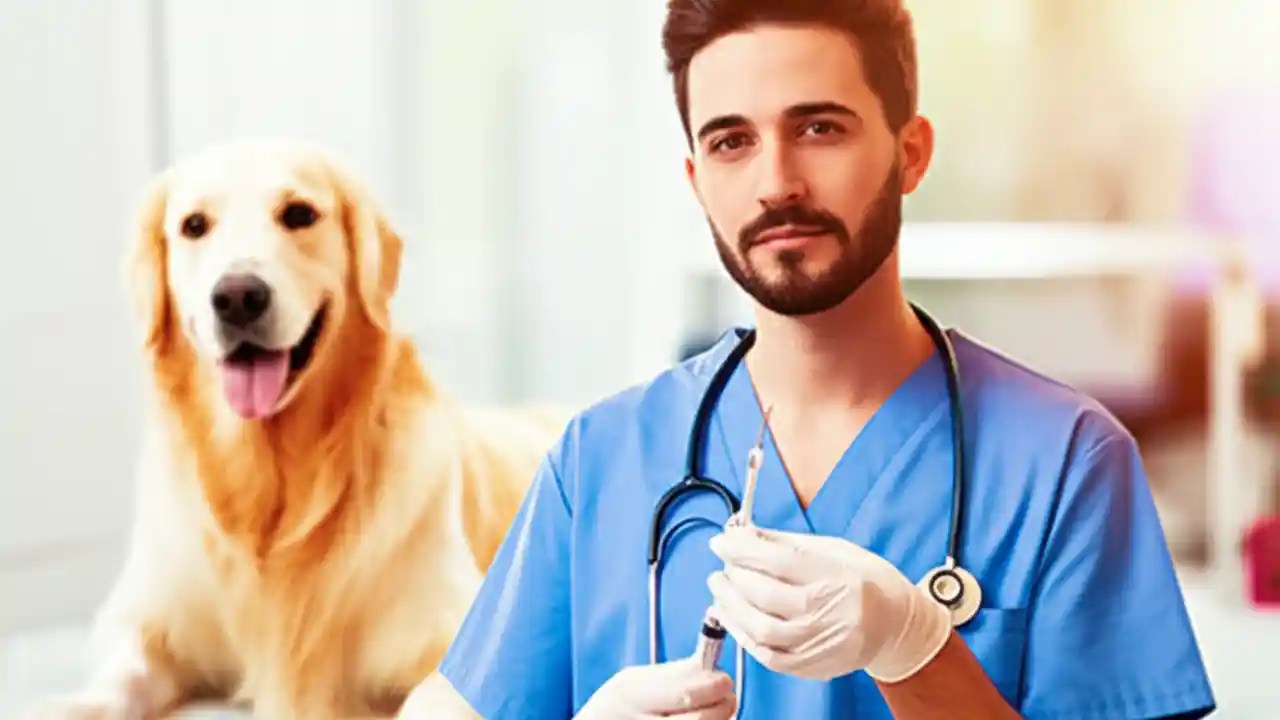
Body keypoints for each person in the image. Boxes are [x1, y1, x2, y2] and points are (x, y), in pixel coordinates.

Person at [417, 0, 1218, 717]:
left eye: (819, 128)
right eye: (732, 141)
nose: (777, 183)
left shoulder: (1065, 464)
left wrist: (918, 649)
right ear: (696, 181)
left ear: (910, 153)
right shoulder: (601, 462)